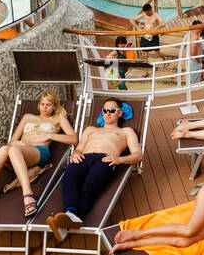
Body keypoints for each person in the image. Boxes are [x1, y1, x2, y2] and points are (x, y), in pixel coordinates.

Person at [0, 91, 78, 219]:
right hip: (19, 150)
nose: (44, 107)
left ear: (54, 106)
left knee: (13, 150)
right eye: (42, 104)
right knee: (6, 148)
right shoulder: (27, 117)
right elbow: (12, 140)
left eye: (48, 104)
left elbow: (73, 139)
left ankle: (28, 194)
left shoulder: (58, 119)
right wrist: (20, 144)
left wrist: (50, 135)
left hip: (38, 151)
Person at [43, 97, 143, 240]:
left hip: (105, 159)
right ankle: (70, 216)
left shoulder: (126, 131)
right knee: (68, 179)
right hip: (84, 157)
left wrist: (119, 159)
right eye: (105, 110)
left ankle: (67, 220)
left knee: (90, 184)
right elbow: (80, 148)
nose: (107, 113)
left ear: (119, 113)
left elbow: (138, 155)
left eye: (112, 110)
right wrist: (76, 153)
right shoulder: (90, 129)